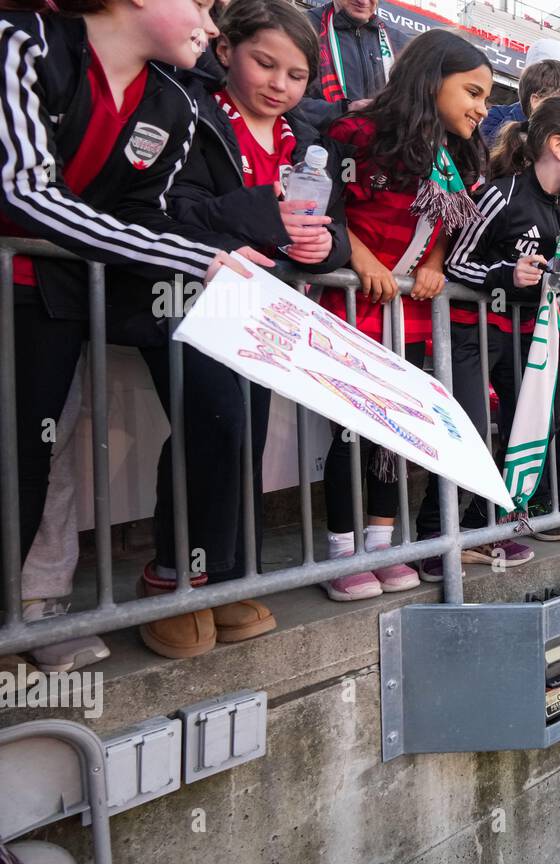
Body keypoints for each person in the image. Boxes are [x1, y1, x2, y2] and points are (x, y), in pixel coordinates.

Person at [0, 0, 271, 641]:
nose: (211, 26)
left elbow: (144, 214)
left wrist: (221, 256)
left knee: (28, 460)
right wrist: (198, 255)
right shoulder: (21, 44)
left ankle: (17, 624)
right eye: (201, 5)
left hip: (60, 293)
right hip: (16, 283)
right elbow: (25, 192)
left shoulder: (172, 103)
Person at [144, 0, 351, 648]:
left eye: (295, 75)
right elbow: (168, 210)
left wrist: (328, 249)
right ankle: (174, 580)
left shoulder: (307, 142)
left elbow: (330, 229)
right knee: (215, 421)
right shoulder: (190, 111)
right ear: (226, 49)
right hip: (179, 296)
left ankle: (229, 577)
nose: (280, 85)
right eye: (265, 63)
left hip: (259, 310)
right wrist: (267, 212)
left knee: (247, 435)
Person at [319, 28, 504, 592]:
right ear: (431, 79)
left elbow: (445, 226)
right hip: (353, 303)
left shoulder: (454, 153)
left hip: (412, 311)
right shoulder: (355, 133)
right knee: (352, 431)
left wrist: (435, 264)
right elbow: (325, 207)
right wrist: (362, 258)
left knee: (396, 431)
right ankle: (340, 555)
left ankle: (382, 543)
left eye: (487, 99)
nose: (480, 109)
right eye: (472, 92)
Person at [446, 97, 560, 539]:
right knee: (469, 426)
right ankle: (438, 534)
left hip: (533, 332)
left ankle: (490, 523)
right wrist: (508, 273)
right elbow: (455, 263)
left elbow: (551, 280)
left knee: (536, 424)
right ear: (559, 146)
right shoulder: (500, 193)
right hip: (477, 330)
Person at [300, 0, 412, 129]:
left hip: (380, 146)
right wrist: (343, 109)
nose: (363, 1)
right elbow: (285, 101)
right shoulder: (304, 26)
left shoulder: (401, 43)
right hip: (316, 144)